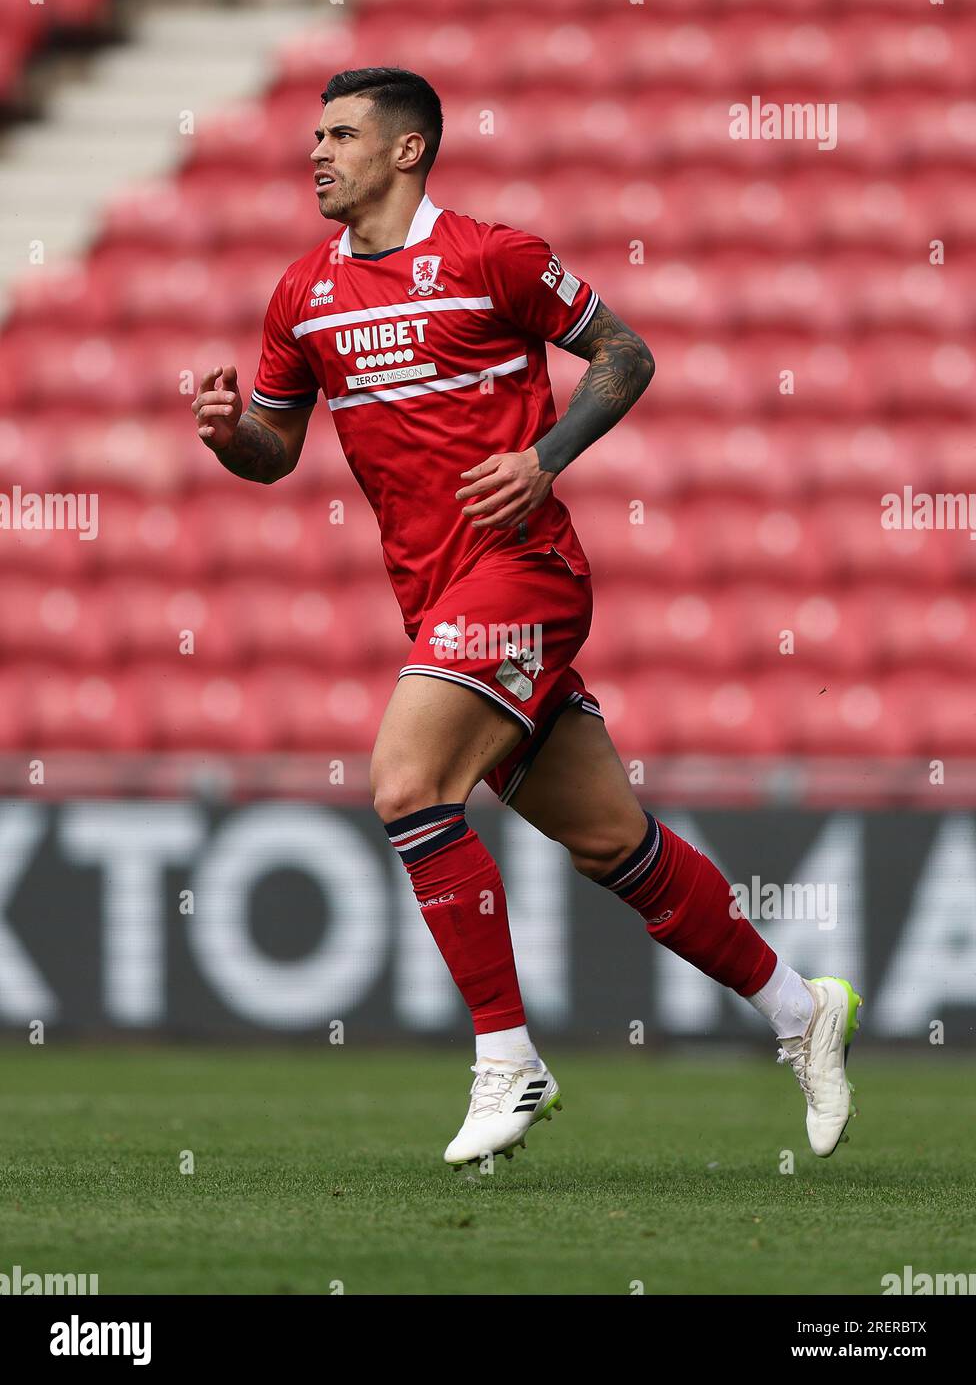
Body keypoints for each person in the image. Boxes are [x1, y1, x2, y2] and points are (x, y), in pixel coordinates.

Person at [191, 66, 861, 1167]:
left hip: (525, 572)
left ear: (407, 151)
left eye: (342, 134)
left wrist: (544, 461)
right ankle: (801, 1010)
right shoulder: (300, 296)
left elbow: (626, 354)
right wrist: (230, 440)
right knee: (613, 843)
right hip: (435, 595)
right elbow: (275, 447)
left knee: (408, 784)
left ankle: (508, 1058)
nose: (317, 151)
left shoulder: (493, 258)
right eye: (314, 133)